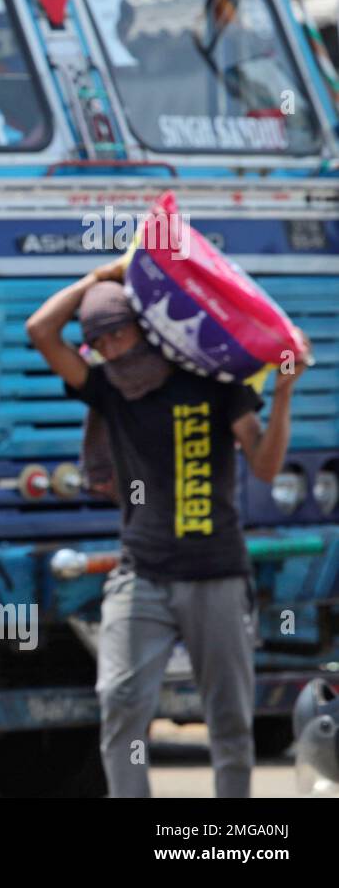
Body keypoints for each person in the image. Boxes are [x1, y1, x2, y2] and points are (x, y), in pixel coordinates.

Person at [25, 253, 306, 798]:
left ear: (145, 327)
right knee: (120, 705)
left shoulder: (211, 379)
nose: (108, 350)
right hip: (142, 574)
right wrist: (97, 279)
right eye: (98, 341)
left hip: (217, 574)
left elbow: (266, 467)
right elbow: (41, 330)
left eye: (117, 336)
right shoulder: (108, 387)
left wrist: (286, 394)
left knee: (230, 721)